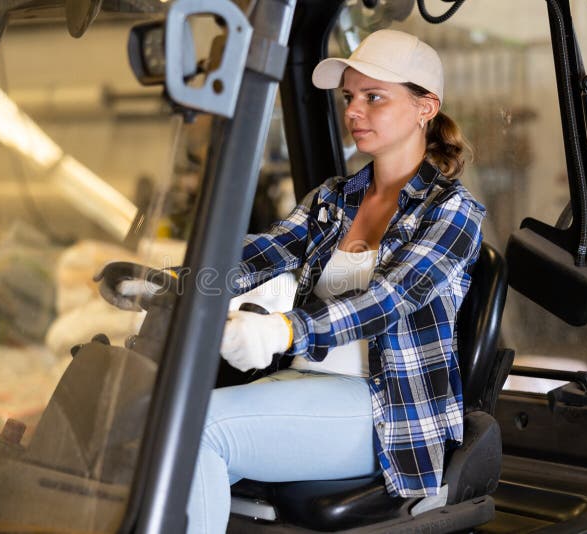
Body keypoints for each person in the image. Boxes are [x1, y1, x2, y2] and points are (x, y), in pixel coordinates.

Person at [187, 29, 486, 533]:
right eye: (349, 97)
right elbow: (262, 253)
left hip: (384, 410)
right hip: (302, 385)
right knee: (155, 437)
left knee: (197, 431)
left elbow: (389, 299)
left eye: (374, 97)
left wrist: (284, 329)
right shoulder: (333, 198)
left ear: (425, 108)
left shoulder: (453, 211)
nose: (353, 112)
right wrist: (177, 281)